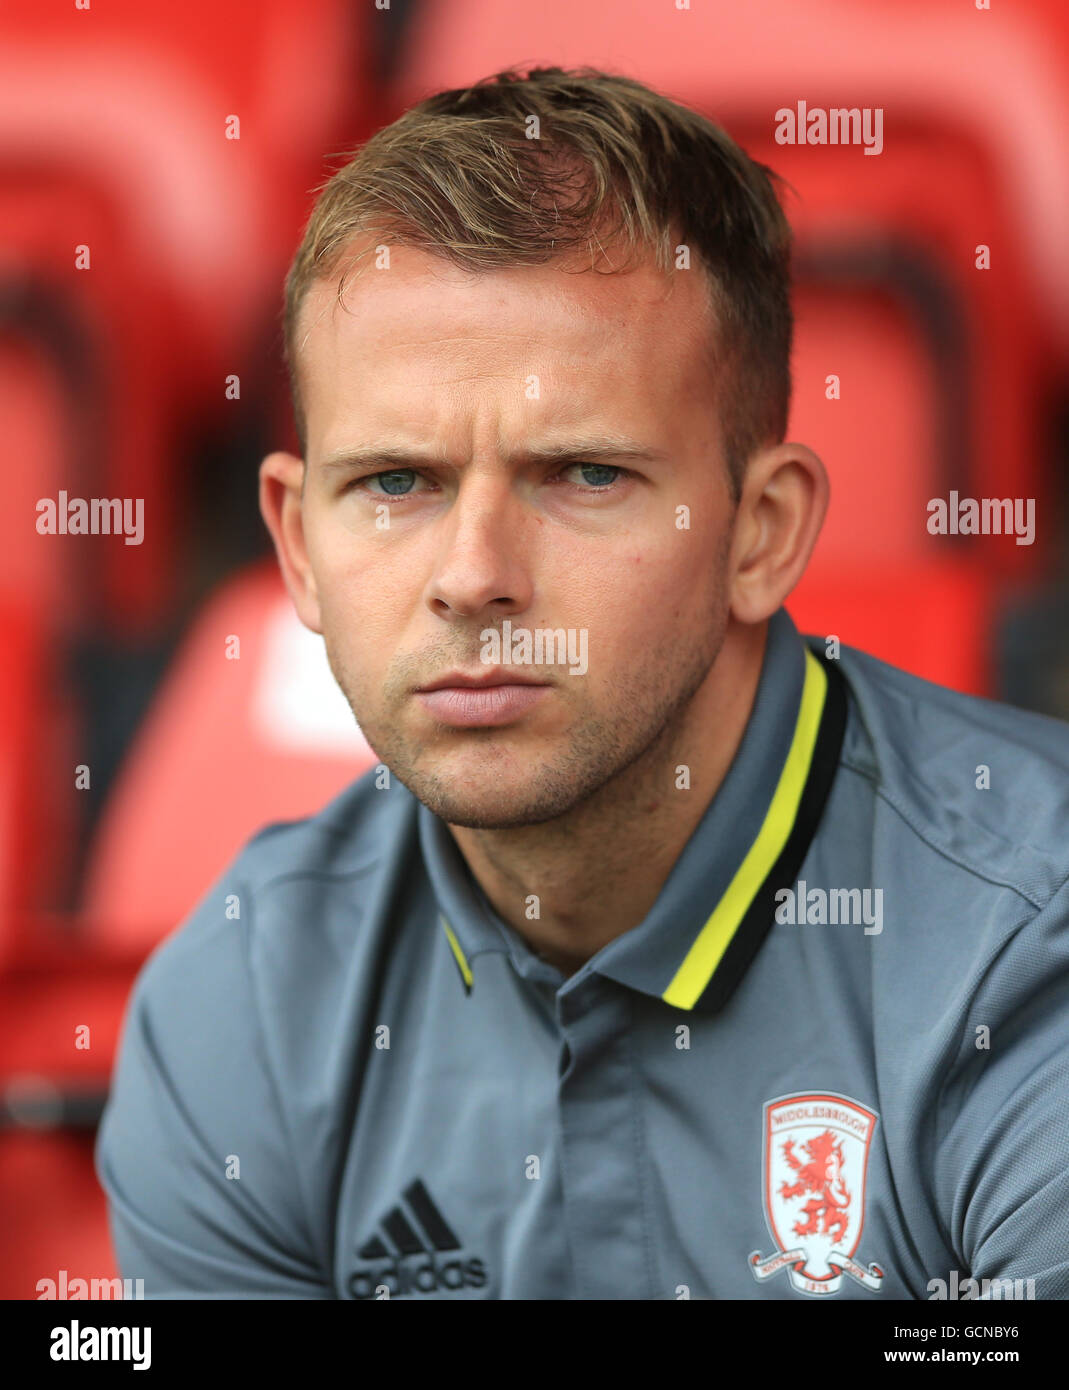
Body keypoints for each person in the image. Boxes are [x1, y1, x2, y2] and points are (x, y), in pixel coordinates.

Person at [95, 65, 1069, 1300]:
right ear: (295, 544)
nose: (473, 576)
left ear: (760, 532)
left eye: (582, 476)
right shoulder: (240, 998)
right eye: (395, 482)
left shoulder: (1031, 949)